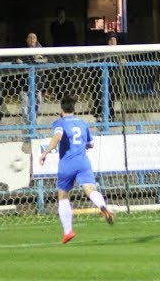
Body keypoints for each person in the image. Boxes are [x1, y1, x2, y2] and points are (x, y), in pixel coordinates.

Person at [38, 94, 115, 244]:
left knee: (63, 196)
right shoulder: (82, 123)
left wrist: (45, 153)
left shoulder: (59, 123)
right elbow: (91, 144)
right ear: (74, 109)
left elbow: (57, 137)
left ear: (61, 110)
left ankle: (68, 231)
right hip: (83, 162)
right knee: (91, 189)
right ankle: (102, 206)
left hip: (67, 164)